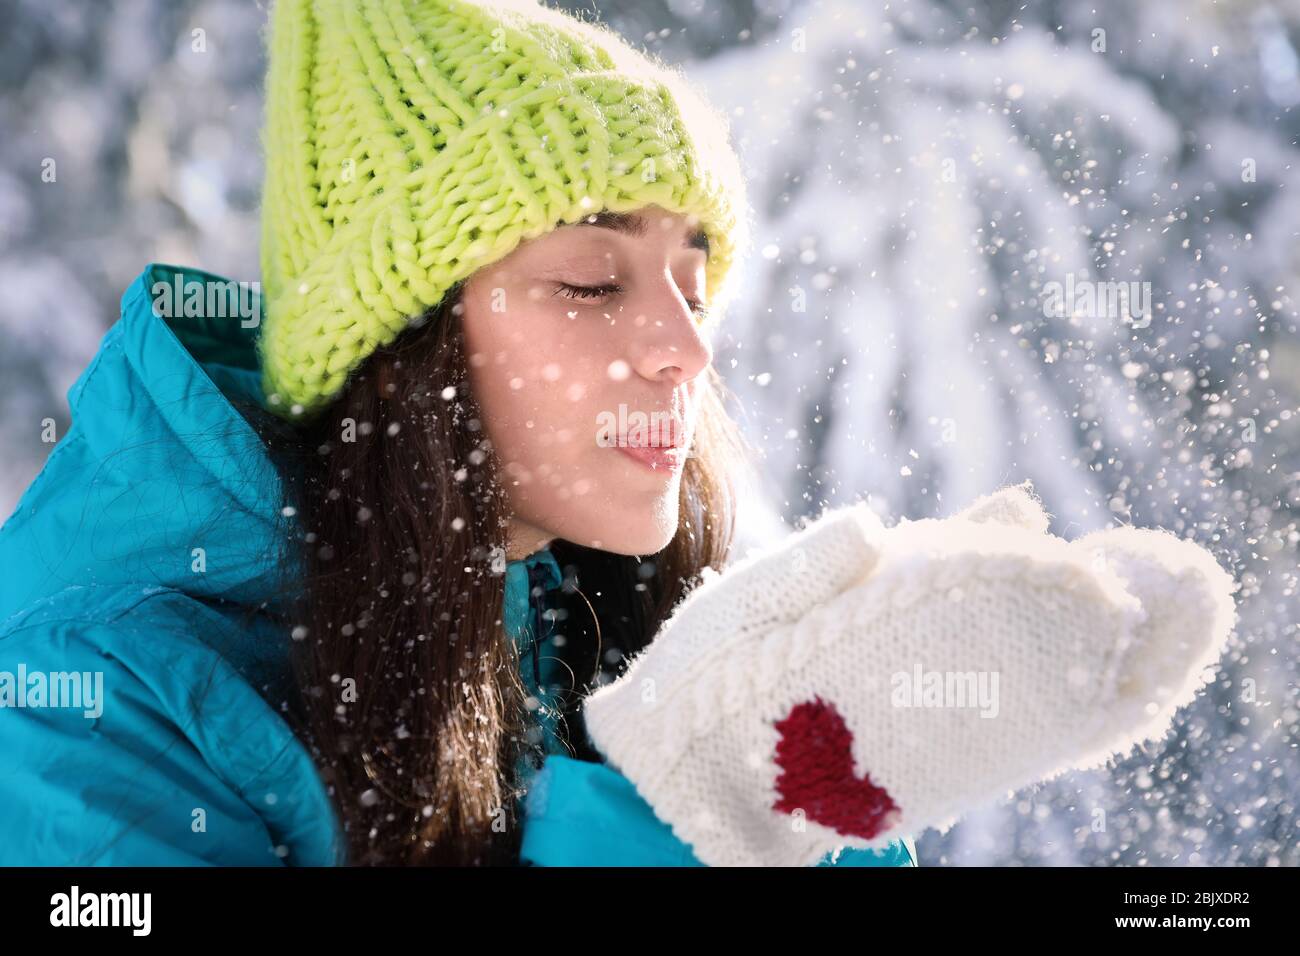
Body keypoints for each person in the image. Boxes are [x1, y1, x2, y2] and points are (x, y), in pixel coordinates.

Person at [0, 0, 1236, 867]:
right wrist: (672, 811)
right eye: (593, 280)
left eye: (693, 288)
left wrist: (814, 798)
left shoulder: (565, 597)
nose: (686, 352)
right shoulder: (85, 695)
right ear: (401, 343)